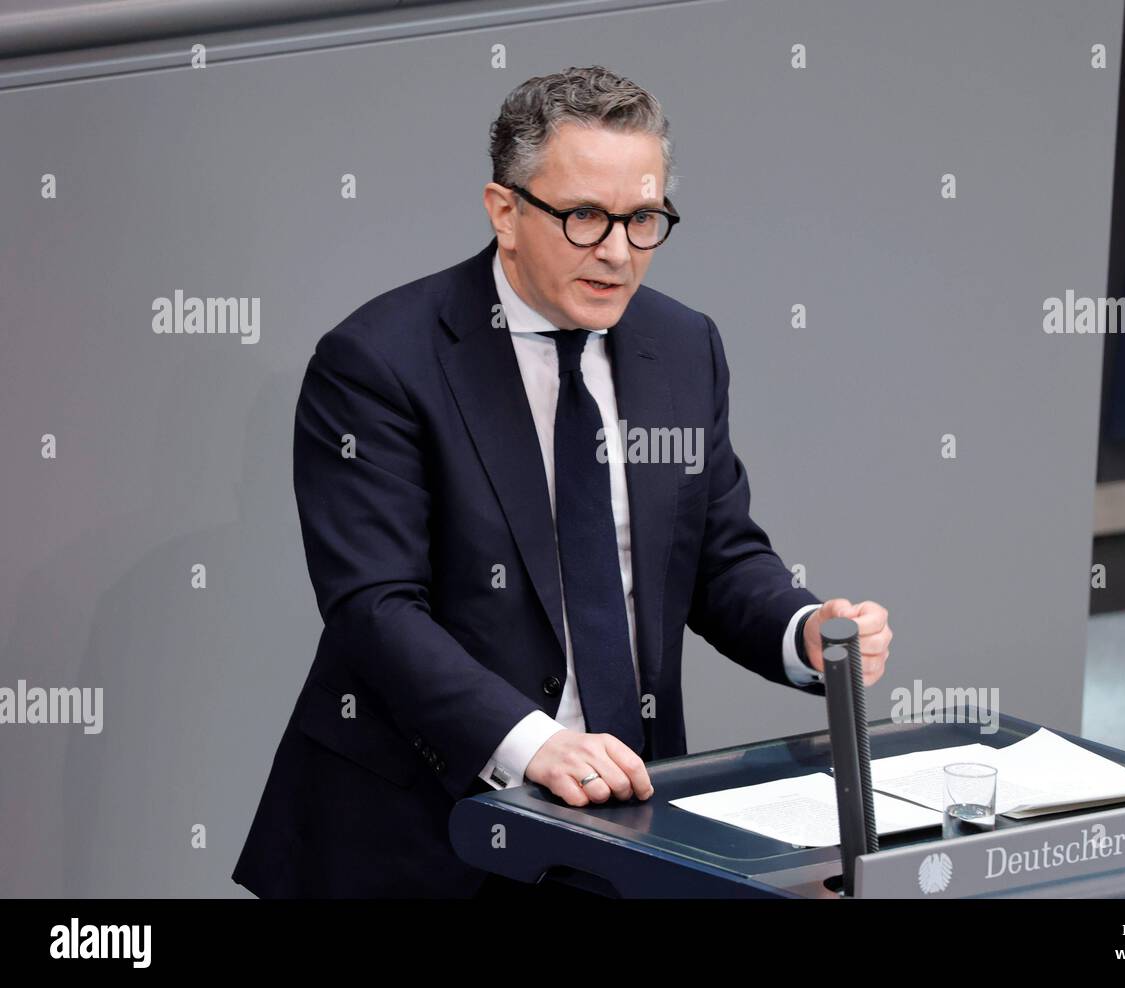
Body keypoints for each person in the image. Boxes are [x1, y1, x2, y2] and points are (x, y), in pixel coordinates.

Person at [232, 65, 892, 899]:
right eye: (584, 216)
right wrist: (531, 741)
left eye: (643, 219)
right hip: (424, 834)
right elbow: (375, 608)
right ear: (504, 211)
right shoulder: (380, 362)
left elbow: (718, 558)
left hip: (623, 817)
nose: (617, 253)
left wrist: (800, 630)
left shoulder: (684, 348)